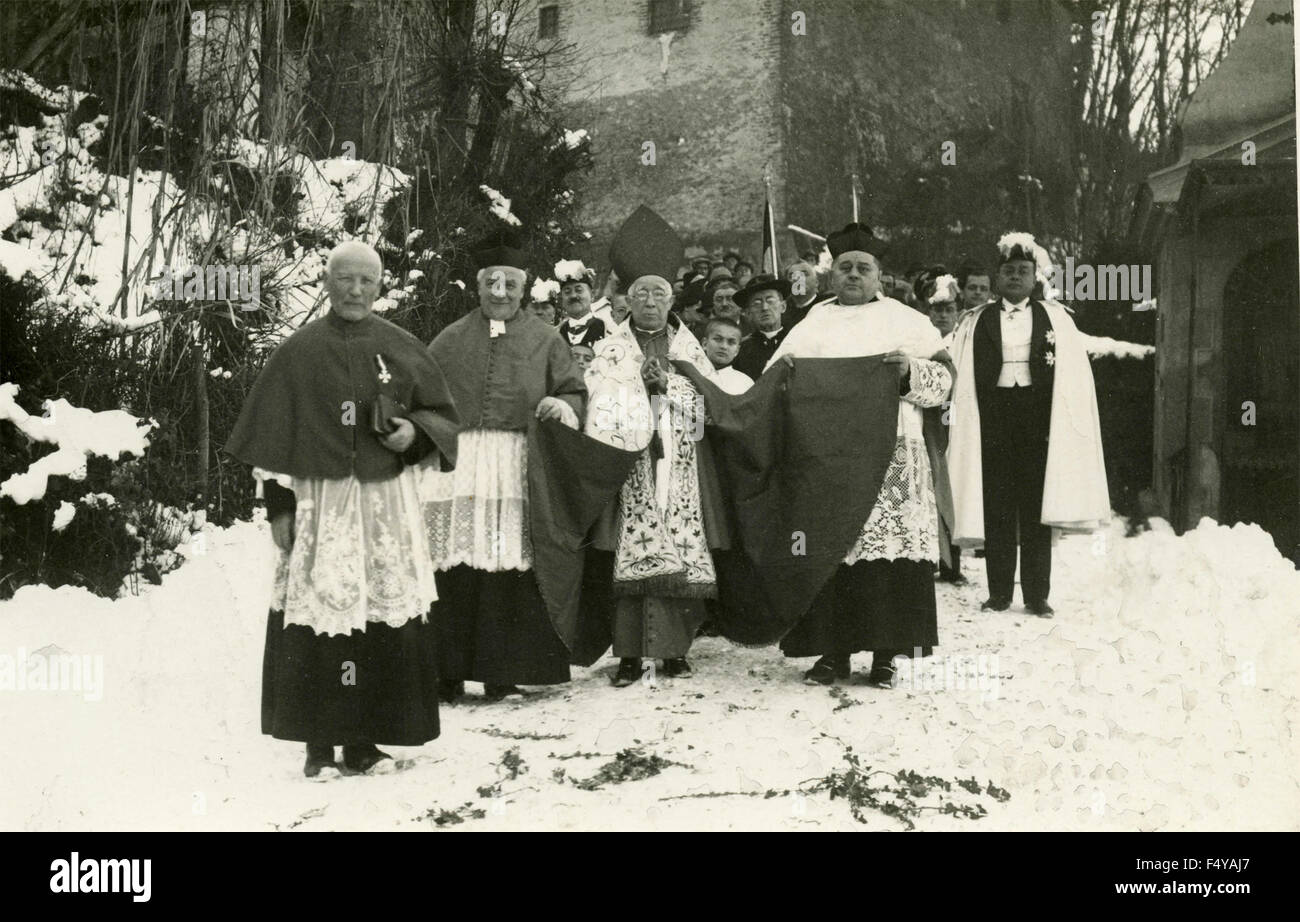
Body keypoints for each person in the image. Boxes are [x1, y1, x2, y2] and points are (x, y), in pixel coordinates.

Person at [225, 240, 460, 778]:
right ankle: (317, 745)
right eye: (346, 279)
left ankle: (364, 742)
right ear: (326, 283)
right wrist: (279, 508)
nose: (356, 290)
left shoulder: (402, 346)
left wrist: (414, 434)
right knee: (322, 616)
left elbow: (441, 416)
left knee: (378, 616)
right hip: (320, 505)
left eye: (367, 282)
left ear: (381, 288)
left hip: (383, 508)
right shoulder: (297, 352)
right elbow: (269, 439)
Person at [766, 223, 953, 688]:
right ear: (831, 275)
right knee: (832, 552)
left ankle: (887, 655)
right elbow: (774, 385)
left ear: (879, 276)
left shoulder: (908, 322)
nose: (853, 275)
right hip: (826, 460)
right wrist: (786, 377)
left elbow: (947, 385)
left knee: (887, 557)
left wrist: (911, 371)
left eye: (863, 268)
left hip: (892, 457)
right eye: (845, 267)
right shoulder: (811, 326)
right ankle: (834, 652)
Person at [425, 230, 586, 701]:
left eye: (509, 285)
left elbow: (573, 390)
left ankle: (502, 671)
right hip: (461, 464)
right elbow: (421, 397)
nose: (499, 292)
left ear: (524, 289)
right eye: (491, 283)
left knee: (509, 568)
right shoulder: (449, 339)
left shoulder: (546, 339)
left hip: (518, 462)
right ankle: (446, 673)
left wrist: (562, 405)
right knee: (452, 564)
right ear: (477, 287)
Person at [586, 205, 727, 687]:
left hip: (682, 463)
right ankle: (628, 655)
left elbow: (713, 406)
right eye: (640, 293)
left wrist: (670, 384)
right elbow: (597, 405)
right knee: (633, 551)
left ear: (672, 300)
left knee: (680, 550)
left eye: (659, 293)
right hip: (632, 464)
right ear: (627, 300)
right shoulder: (611, 350)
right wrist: (636, 390)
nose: (649, 301)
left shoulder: (690, 351)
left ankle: (674, 650)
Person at [947, 232, 1109, 616]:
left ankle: (1037, 596)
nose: (1015, 277)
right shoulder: (977, 320)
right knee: (998, 506)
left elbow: (1074, 376)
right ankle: (999, 592)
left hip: (1038, 419)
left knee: (1036, 508)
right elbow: (960, 371)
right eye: (1008, 271)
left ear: (1035, 276)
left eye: (1023, 271)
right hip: (995, 417)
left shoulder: (1056, 319)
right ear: (998, 277)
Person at [922, 272, 964, 584]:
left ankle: (955, 561)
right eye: (937, 310)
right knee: (934, 485)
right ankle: (937, 557)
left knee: (957, 487)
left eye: (949, 309)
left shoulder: (964, 343)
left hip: (958, 421)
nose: (943, 315)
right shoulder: (922, 343)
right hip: (931, 422)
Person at [732, 274, 792, 381]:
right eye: (757, 303)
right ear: (749, 312)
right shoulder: (741, 350)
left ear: (783, 306)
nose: (764, 308)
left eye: (770, 301)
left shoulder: (798, 341)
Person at [554, 259, 607, 347]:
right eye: (567, 292)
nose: (573, 296)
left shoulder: (606, 329)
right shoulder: (555, 333)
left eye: (579, 290)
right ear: (562, 299)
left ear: (592, 295)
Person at [701, 315, 753, 394]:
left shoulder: (745, 383)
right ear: (704, 344)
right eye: (718, 339)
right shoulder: (689, 375)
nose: (724, 346)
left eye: (731, 342)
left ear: (737, 351)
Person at [783, 258, 824, 328]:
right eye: (792, 276)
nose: (798, 278)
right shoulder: (782, 312)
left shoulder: (827, 306)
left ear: (816, 282)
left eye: (804, 274)